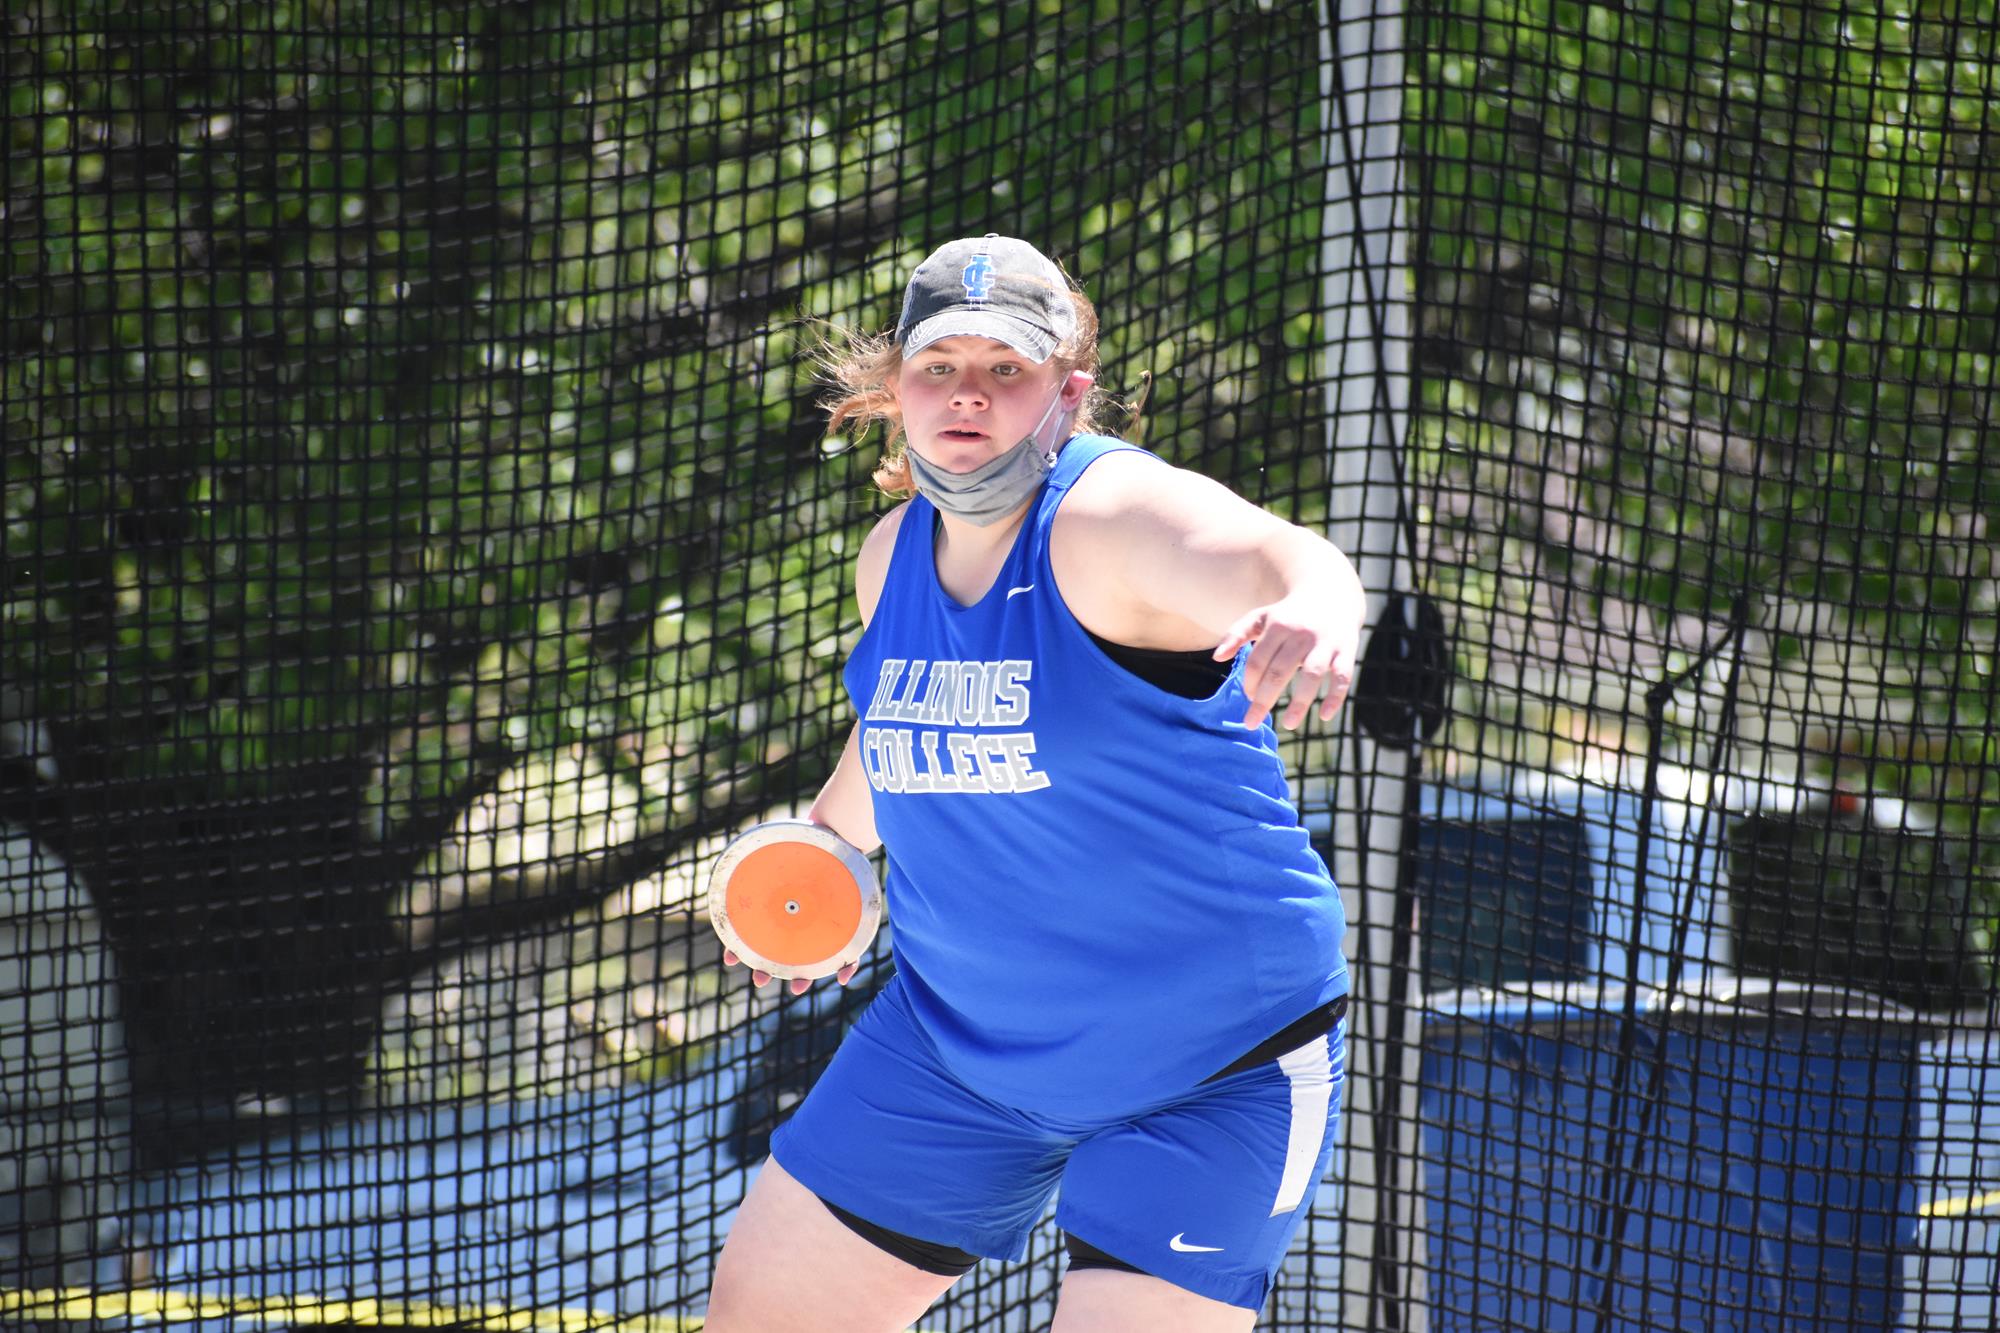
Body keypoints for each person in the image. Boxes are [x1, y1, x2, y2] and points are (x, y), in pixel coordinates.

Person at [703, 235, 1364, 1333]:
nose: (968, 396)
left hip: (1208, 1064)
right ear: (895, 390)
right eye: (939, 367)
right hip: (955, 1052)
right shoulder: (889, 555)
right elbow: (909, 724)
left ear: (1068, 393)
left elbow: (1285, 556)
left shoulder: (1112, 520)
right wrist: (810, 858)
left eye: (1005, 371)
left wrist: (1320, 604)